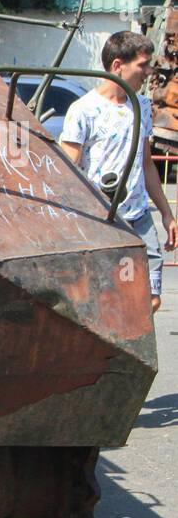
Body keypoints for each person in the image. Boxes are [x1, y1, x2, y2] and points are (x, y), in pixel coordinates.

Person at [59, 31, 177, 313]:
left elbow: (147, 163)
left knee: (150, 299)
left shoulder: (143, 107)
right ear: (117, 66)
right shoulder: (84, 110)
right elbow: (67, 169)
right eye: (143, 65)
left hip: (139, 218)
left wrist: (167, 213)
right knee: (100, 300)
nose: (149, 72)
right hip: (101, 220)